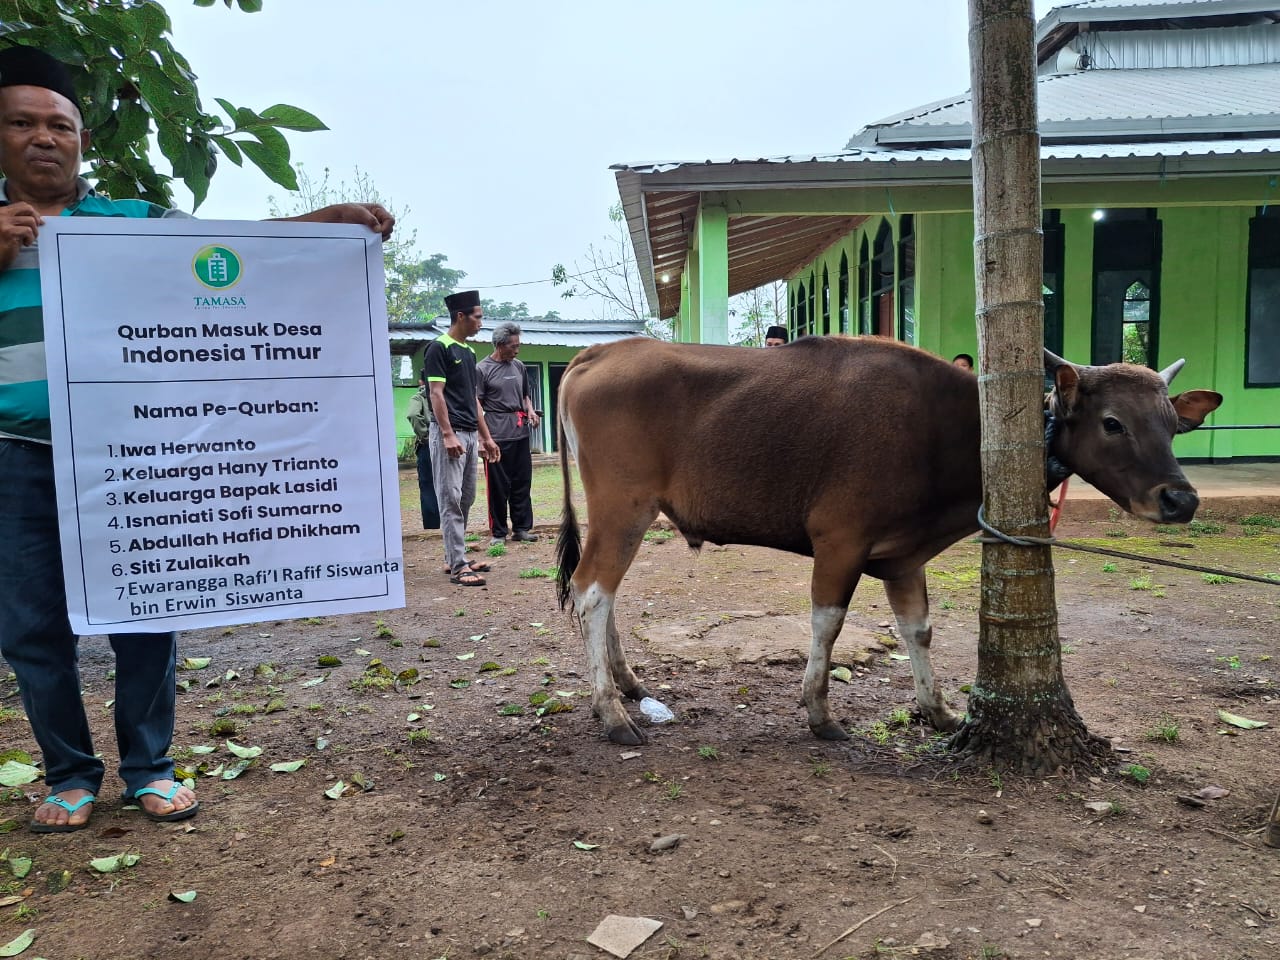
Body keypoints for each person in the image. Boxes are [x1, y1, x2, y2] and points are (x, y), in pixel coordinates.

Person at [0, 45, 394, 833]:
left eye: (60, 125)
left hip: (130, 457)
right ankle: (69, 775)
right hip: (15, 456)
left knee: (146, 609)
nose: (45, 137)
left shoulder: (133, 224)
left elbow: (233, 250)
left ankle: (150, 766)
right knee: (30, 626)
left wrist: (329, 228)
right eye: (22, 122)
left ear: (82, 140)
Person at [423, 290, 501, 586]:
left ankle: (454, 556)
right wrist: (446, 434)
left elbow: (472, 399)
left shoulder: (468, 353)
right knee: (450, 498)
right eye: (478, 317)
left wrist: (486, 437)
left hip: (469, 434)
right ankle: (458, 566)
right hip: (450, 435)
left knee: (465, 497)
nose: (481, 322)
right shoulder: (438, 348)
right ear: (461, 316)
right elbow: (436, 393)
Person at [477, 321, 540, 546]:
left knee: (522, 482)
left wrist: (530, 411)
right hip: (496, 435)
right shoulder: (482, 369)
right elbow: (477, 403)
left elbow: (525, 396)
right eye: (513, 346)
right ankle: (498, 533)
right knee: (497, 487)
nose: (517, 350)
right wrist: (483, 439)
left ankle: (522, 529)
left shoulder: (519, 366)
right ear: (500, 345)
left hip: (520, 432)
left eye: (518, 345)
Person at [406, 377, 440, 529]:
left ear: (421, 382)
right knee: (448, 484)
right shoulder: (445, 394)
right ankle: (451, 523)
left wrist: (425, 435)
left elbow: (413, 414)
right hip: (447, 442)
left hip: (427, 445)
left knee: (427, 485)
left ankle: (432, 525)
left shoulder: (418, 397)